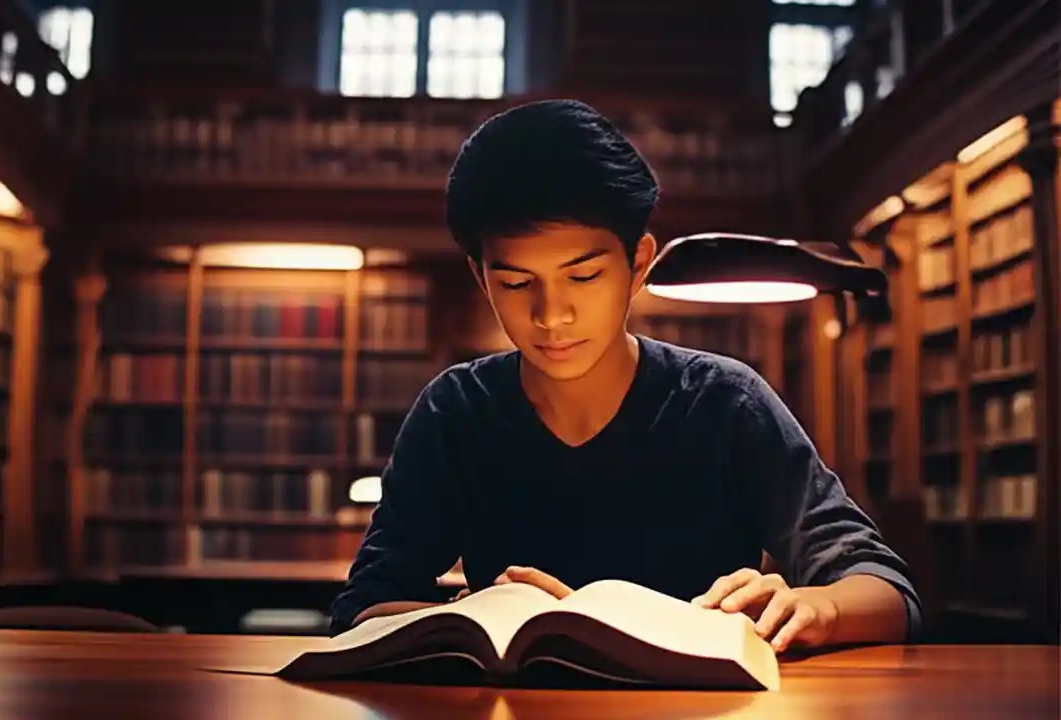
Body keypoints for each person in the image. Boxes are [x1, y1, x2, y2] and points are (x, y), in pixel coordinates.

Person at [329, 99, 920, 653]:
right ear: (482, 278)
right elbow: (362, 609)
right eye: (515, 283)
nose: (551, 315)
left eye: (582, 278)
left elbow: (887, 591)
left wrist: (818, 608)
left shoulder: (723, 402)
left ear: (637, 265)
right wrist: (482, 614)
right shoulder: (458, 411)